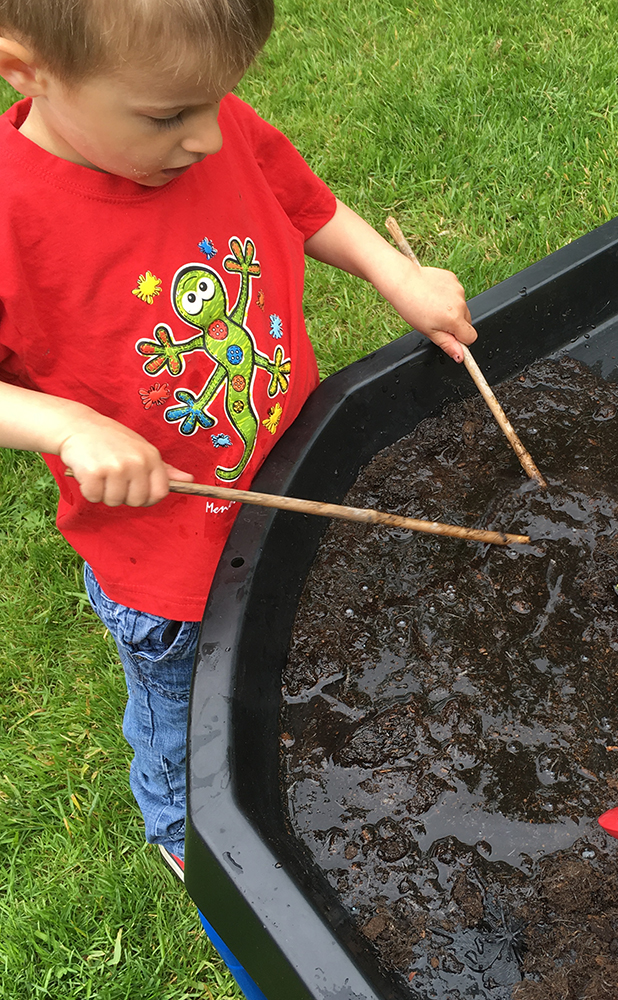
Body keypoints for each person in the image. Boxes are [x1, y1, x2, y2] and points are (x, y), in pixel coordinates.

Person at [0, 0, 477, 994]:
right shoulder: (12, 215)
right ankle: (190, 834)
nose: (209, 135)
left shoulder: (209, 130)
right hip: (164, 569)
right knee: (189, 728)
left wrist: (399, 276)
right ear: (26, 71)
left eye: (216, 99)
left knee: (293, 653)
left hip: (290, 482)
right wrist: (65, 426)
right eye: (169, 114)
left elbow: (307, 207)